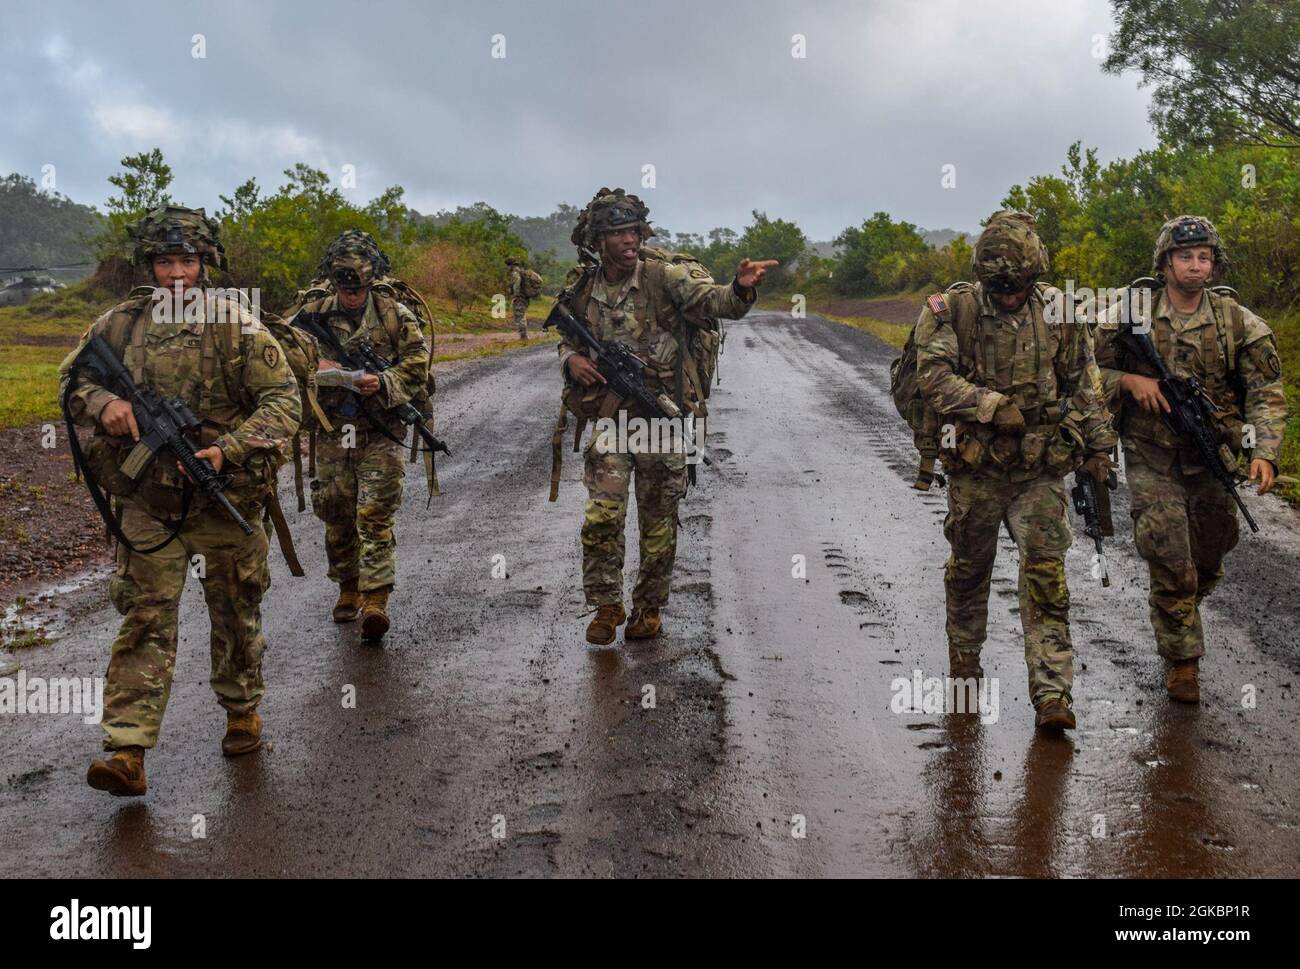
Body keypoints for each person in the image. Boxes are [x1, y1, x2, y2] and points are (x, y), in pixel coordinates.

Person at [60, 205, 301, 795]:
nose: (175, 273)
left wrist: (231, 450)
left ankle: (242, 711)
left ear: (205, 265)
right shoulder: (118, 325)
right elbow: (70, 383)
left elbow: (285, 403)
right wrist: (102, 405)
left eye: (186, 261)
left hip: (225, 499)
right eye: (165, 261)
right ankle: (126, 750)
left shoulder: (238, 327)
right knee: (145, 617)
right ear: (151, 264)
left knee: (237, 613)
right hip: (148, 502)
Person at [913, 211, 1116, 730]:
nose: (1008, 298)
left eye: (1018, 289)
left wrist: (1098, 448)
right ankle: (965, 662)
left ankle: (1053, 695)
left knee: (1046, 573)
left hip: (1039, 469)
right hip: (976, 470)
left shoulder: (1061, 312)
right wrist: (987, 404)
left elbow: (1084, 383)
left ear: (1034, 277)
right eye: (998, 289)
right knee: (969, 570)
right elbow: (933, 379)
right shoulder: (947, 310)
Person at [557, 187, 776, 644]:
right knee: (601, 518)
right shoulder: (583, 286)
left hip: (661, 421)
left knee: (658, 525)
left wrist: (741, 288)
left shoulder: (664, 278)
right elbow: (567, 336)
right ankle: (605, 606)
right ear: (599, 239)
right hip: (611, 423)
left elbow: (715, 303)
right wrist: (570, 361)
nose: (627, 239)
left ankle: (648, 609)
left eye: (633, 230)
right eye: (617, 232)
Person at [1093, 216, 1286, 703]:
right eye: (1185, 257)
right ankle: (1183, 663)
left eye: (1204, 257)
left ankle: (1174, 607)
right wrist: (1128, 383)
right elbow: (1082, 369)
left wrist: (1264, 451)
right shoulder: (1129, 313)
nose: (1196, 266)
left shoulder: (1234, 320)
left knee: (1212, 551)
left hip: (1209, 454)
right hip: (1150, 451)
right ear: (1165, 263)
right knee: (1169, 550)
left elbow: (1266, 390)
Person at [286, 231, 431, 639]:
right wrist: (322, 366)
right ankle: (347, 586)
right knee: (336, 511)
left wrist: (383, 382)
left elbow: (417, 366)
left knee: (375, 513)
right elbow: (285, 362)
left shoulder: (394, 314)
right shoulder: (311, 315)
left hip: (381, 429)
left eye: (359, 288)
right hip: (334, 429)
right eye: (345, 288)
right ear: (334, 283)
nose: (352, 295)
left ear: (371, 282)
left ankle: (375, 599)